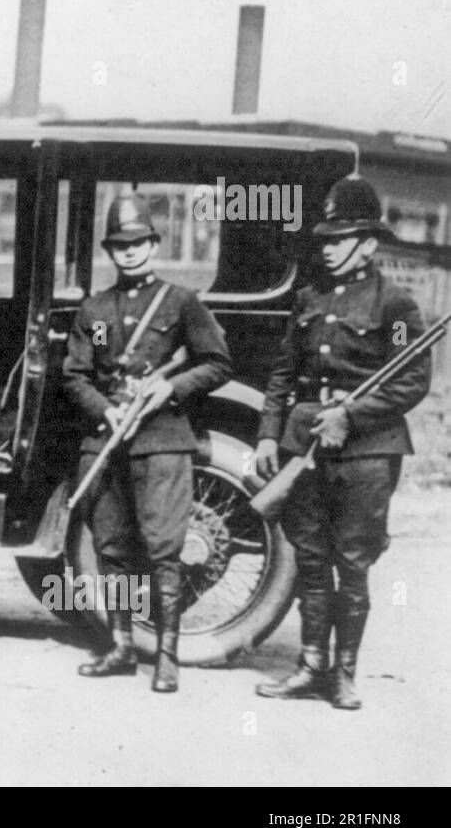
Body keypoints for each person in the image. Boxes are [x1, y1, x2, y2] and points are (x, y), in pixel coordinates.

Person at [254, 175, 430, 710]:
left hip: (368, 453)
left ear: (369, 243)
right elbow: (284, 372)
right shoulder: (308, 297)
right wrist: (267, 433)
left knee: (352, 562)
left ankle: (344, 675)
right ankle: (310, 666)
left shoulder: (397, 306)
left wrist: (351, 416)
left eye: (340, 237)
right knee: (309, 558)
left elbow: (411, 380)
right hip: (304, 443)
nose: (327, 247)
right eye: (325, 238)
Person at [62, 194, 232, 692]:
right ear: (110, 252)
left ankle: (167, 656)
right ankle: (120, 644)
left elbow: (218, 363)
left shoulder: (181, 302)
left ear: (154, 244)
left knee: (163, 549)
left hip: (160, 441)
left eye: (138, 242)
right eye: (120, 245)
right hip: (107, 439)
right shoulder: (95, 310)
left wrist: (168, 389)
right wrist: (105, 408)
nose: (129, 252)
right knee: (112, 548)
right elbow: (75, 375)